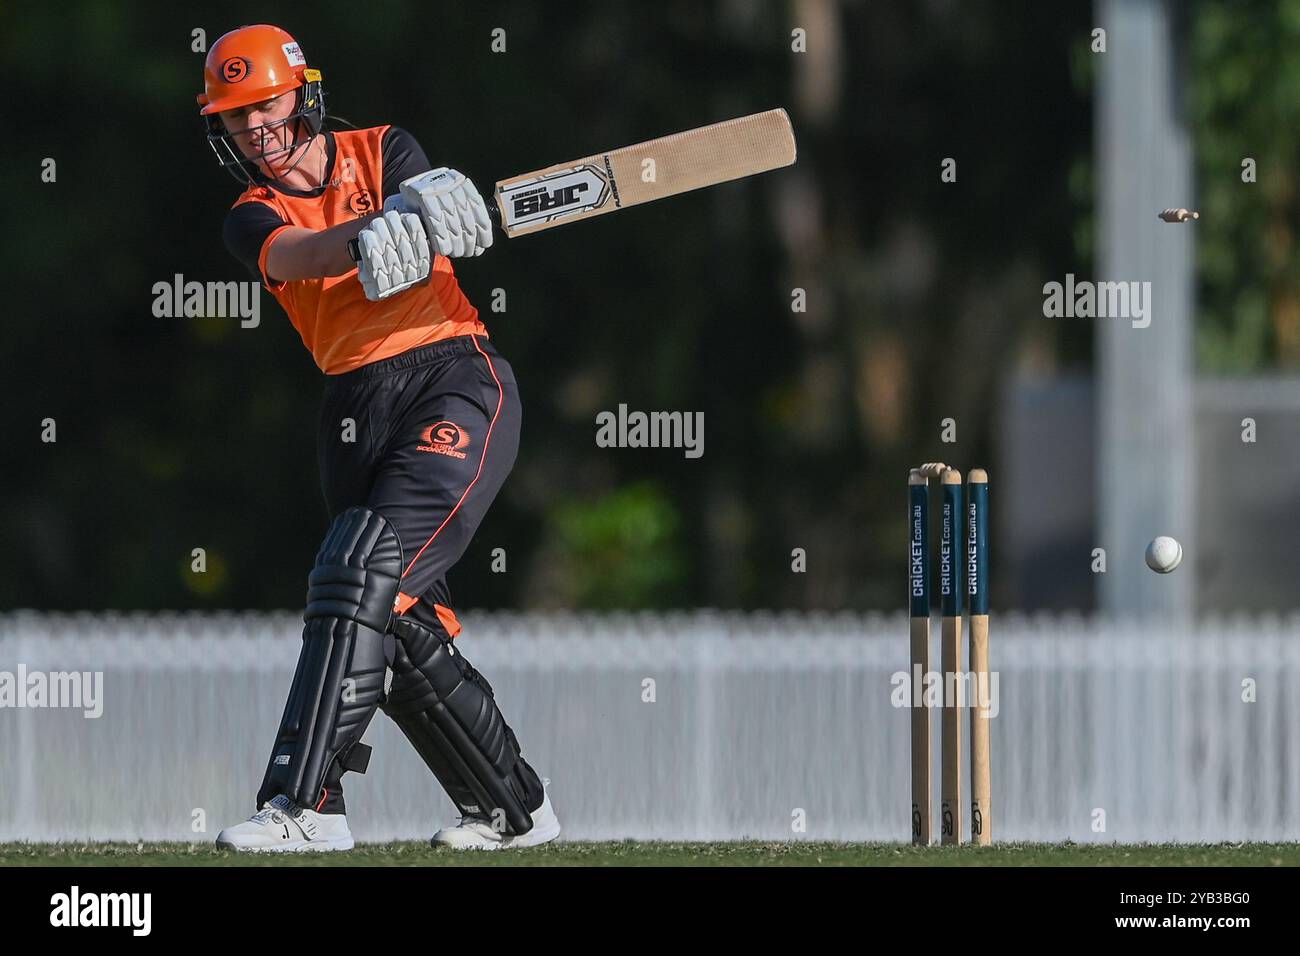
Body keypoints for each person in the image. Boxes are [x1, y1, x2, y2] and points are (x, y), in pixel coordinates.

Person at [201, 23, 559, 851]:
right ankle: (515, 809)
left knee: (361, 574)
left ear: (303, 94)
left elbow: (422, 176)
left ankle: (305, 805)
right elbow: (293, 255)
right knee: (388, 621)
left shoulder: (381, 147)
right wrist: (362, 237)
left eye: (264, 105)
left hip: (455, 376)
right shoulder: (250, 214)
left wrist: (432, 193)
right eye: (232, 116)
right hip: (354, 410)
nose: (253, 127)